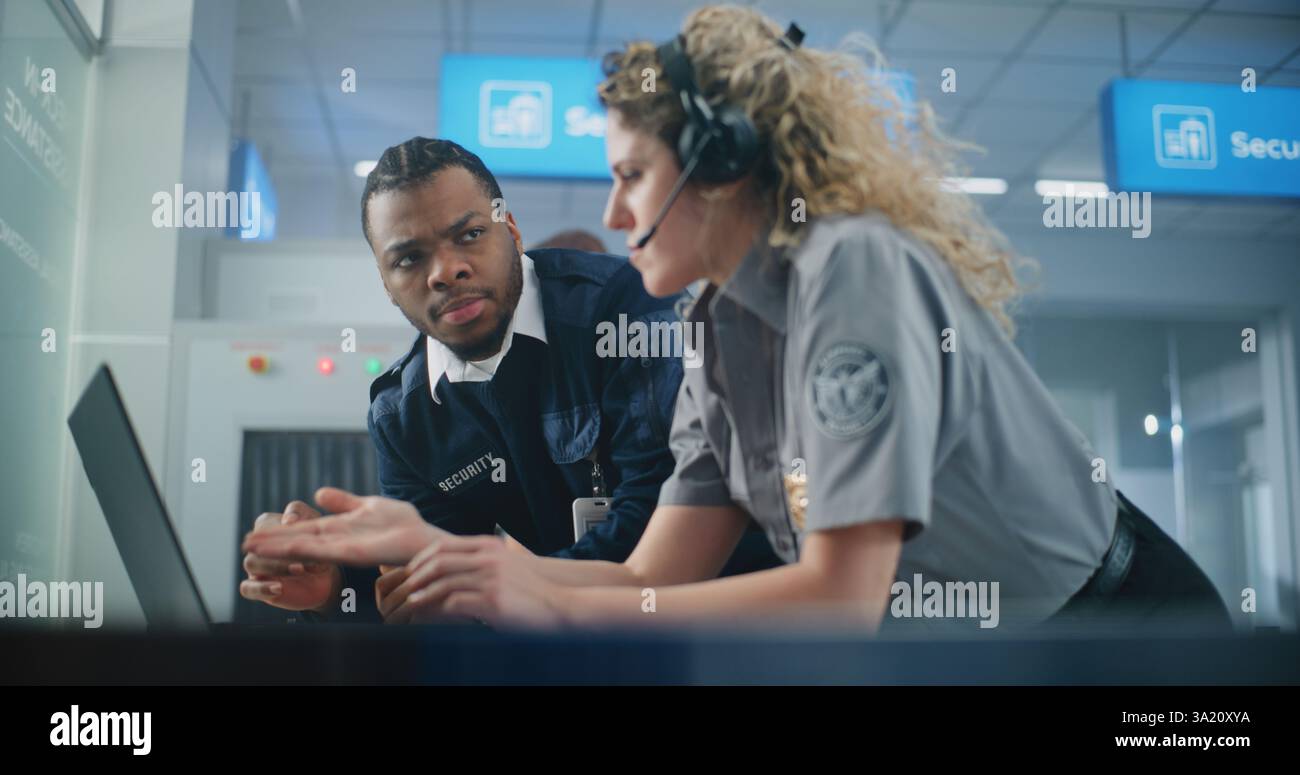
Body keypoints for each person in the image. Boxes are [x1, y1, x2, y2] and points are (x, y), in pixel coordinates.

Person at [244, 7, 1229, 633]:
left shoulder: (849, 269)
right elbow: (646, 578)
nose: (617, 215)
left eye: (632, 176)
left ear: (718, 165)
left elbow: (837, 601)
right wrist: (450, 553)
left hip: (1124, 631)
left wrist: (537, 600)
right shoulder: (716, 332)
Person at [238, 137, 779, 623]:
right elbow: (433, 600)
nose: (445, 271)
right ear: (385, 282)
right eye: (408, 258)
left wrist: (497, 583)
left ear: (512, 230)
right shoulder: (404, 419)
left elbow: (655, 542)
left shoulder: (627, 311)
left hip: (742, 633)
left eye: (470, 235)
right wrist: (336, 589)